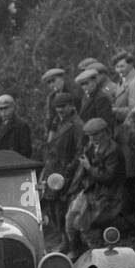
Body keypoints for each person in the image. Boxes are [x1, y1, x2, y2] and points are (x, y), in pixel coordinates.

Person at [64, 118, 125, 256]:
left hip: (106, 195)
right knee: (70, 218)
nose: (92, 138)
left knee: (85, 225)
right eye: (90, 135)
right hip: (90, 190)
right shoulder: (92, 146)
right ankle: (75, 250)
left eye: (95, 135)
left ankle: (97, 255)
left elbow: (108, 178)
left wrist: (89, 167)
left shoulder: (113, 150)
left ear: (105, 133)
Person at [41, 93, 81, 240]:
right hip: (53, 170)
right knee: (52, 206)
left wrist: (69, 170)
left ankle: (68, 241)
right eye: (57, 107)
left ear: (71, 105)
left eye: (63, 106)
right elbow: (49, 146)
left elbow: (79, 151)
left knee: (62, 208)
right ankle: (61, 237)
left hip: (65, 173)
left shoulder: (76, 124)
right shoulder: (57, 122)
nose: (59, 110)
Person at [41, 67, 78, 142]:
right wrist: (48, 133)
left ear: (61, 79)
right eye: (49, 82)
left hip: (72, 130)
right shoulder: (51, 97)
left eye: (53, 80)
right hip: (55, 129)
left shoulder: (73, 93)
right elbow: (50, 116)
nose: (52, 84)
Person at [111, 52, 135, 122]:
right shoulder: (123, 79)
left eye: (122, 66)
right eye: (117, 67)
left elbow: (134, 109)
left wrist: (113, 110)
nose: (119, 70)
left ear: (131, 65)